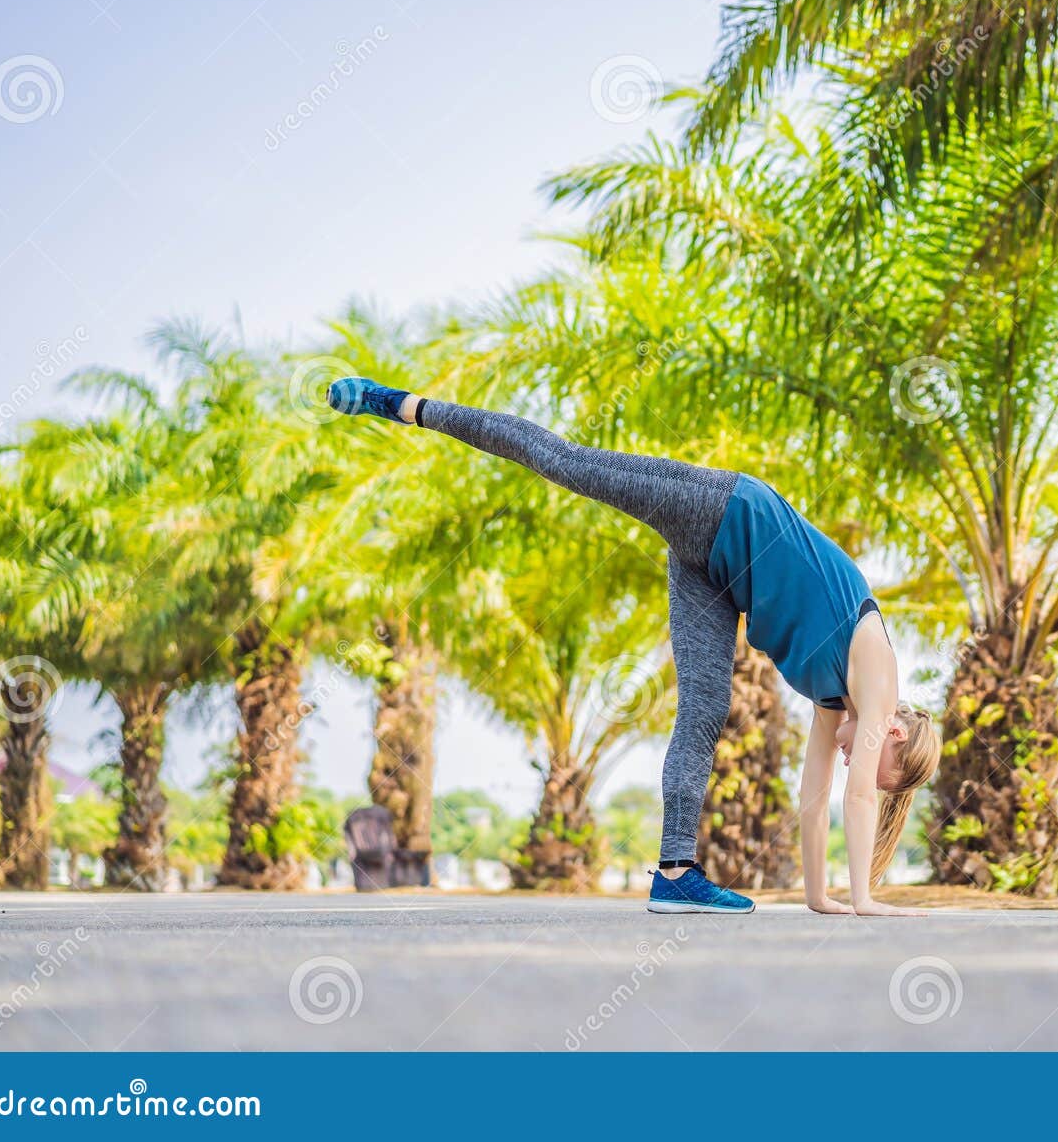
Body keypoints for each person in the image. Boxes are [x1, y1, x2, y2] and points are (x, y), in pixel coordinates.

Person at [327, 378, 939, 916]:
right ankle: (400, 404)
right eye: (876, 764)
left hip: (716, 576)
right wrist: (865, 902)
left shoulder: (836, 698)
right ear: (892, 735)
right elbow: (856, 797)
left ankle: (675, 875)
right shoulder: (877, 671)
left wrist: (820, 897)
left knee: (703, 709)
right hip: (725, 507)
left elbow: (815, 798)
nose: (858, 764)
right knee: (561, 460)